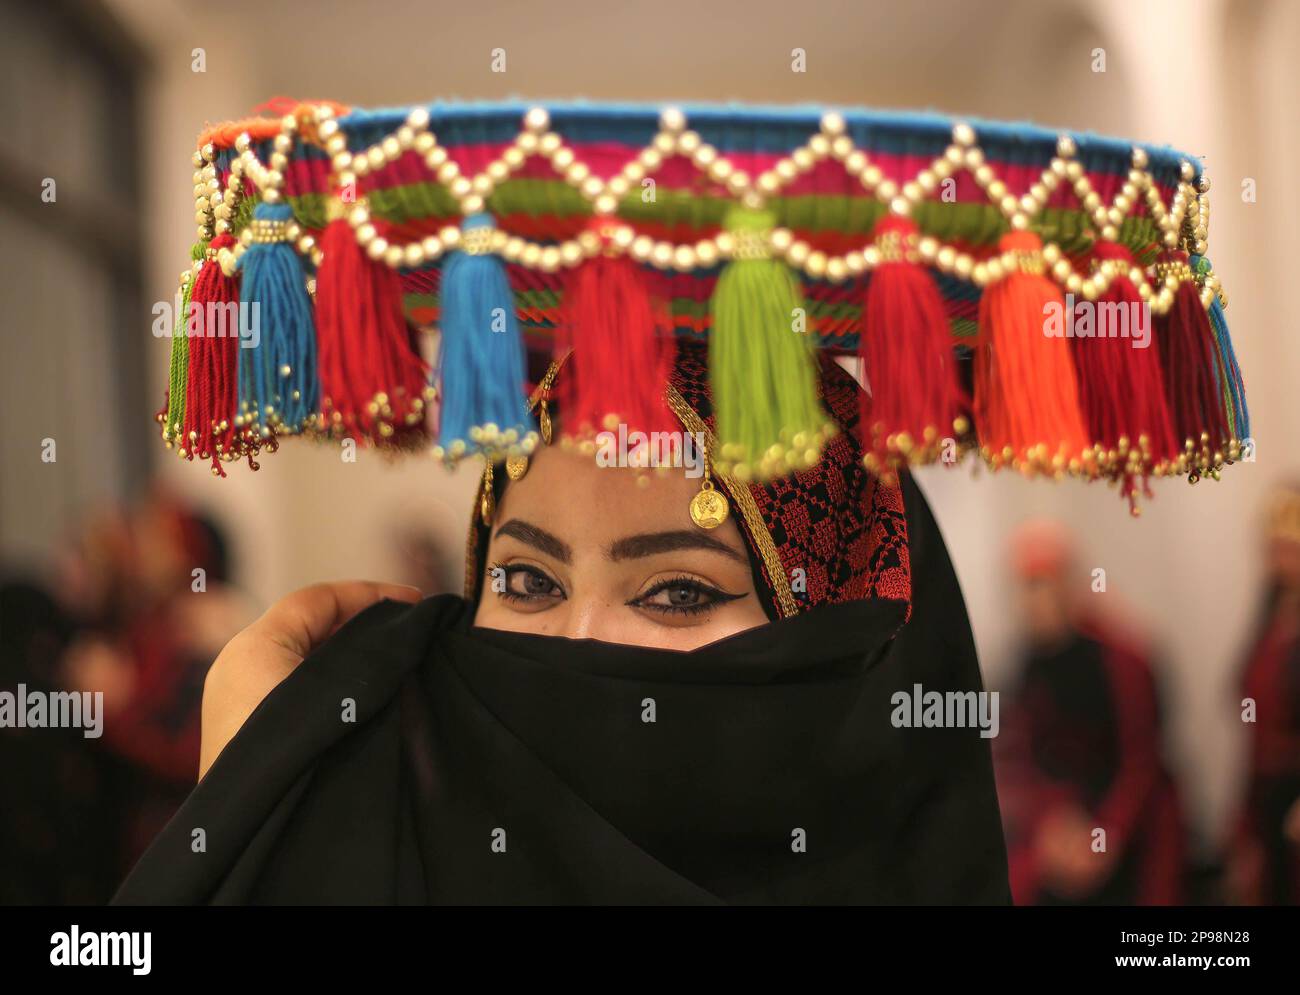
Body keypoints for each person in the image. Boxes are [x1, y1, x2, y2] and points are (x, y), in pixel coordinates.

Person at [116, 344, 1011, 904]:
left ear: (844, 656)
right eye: (526, 578)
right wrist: (253, 794)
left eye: (679, 593)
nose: (576, 641)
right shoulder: (379, 853)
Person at [994, 521, 1185, 905]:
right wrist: (1051, 825)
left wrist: (1105, 834)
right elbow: (1021, 759)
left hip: (1130, 826)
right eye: (1027, 585)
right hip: (1064, 825)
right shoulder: (1025, 664)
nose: (1036, 598)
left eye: (1046, 581)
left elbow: (1141, 758)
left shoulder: (1121, 657)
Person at [1225, 483, 1300, 905]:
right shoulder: (1270, 620)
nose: (1279, 557)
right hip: (1266, 794)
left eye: (1289, 546)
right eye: (1273, 546)